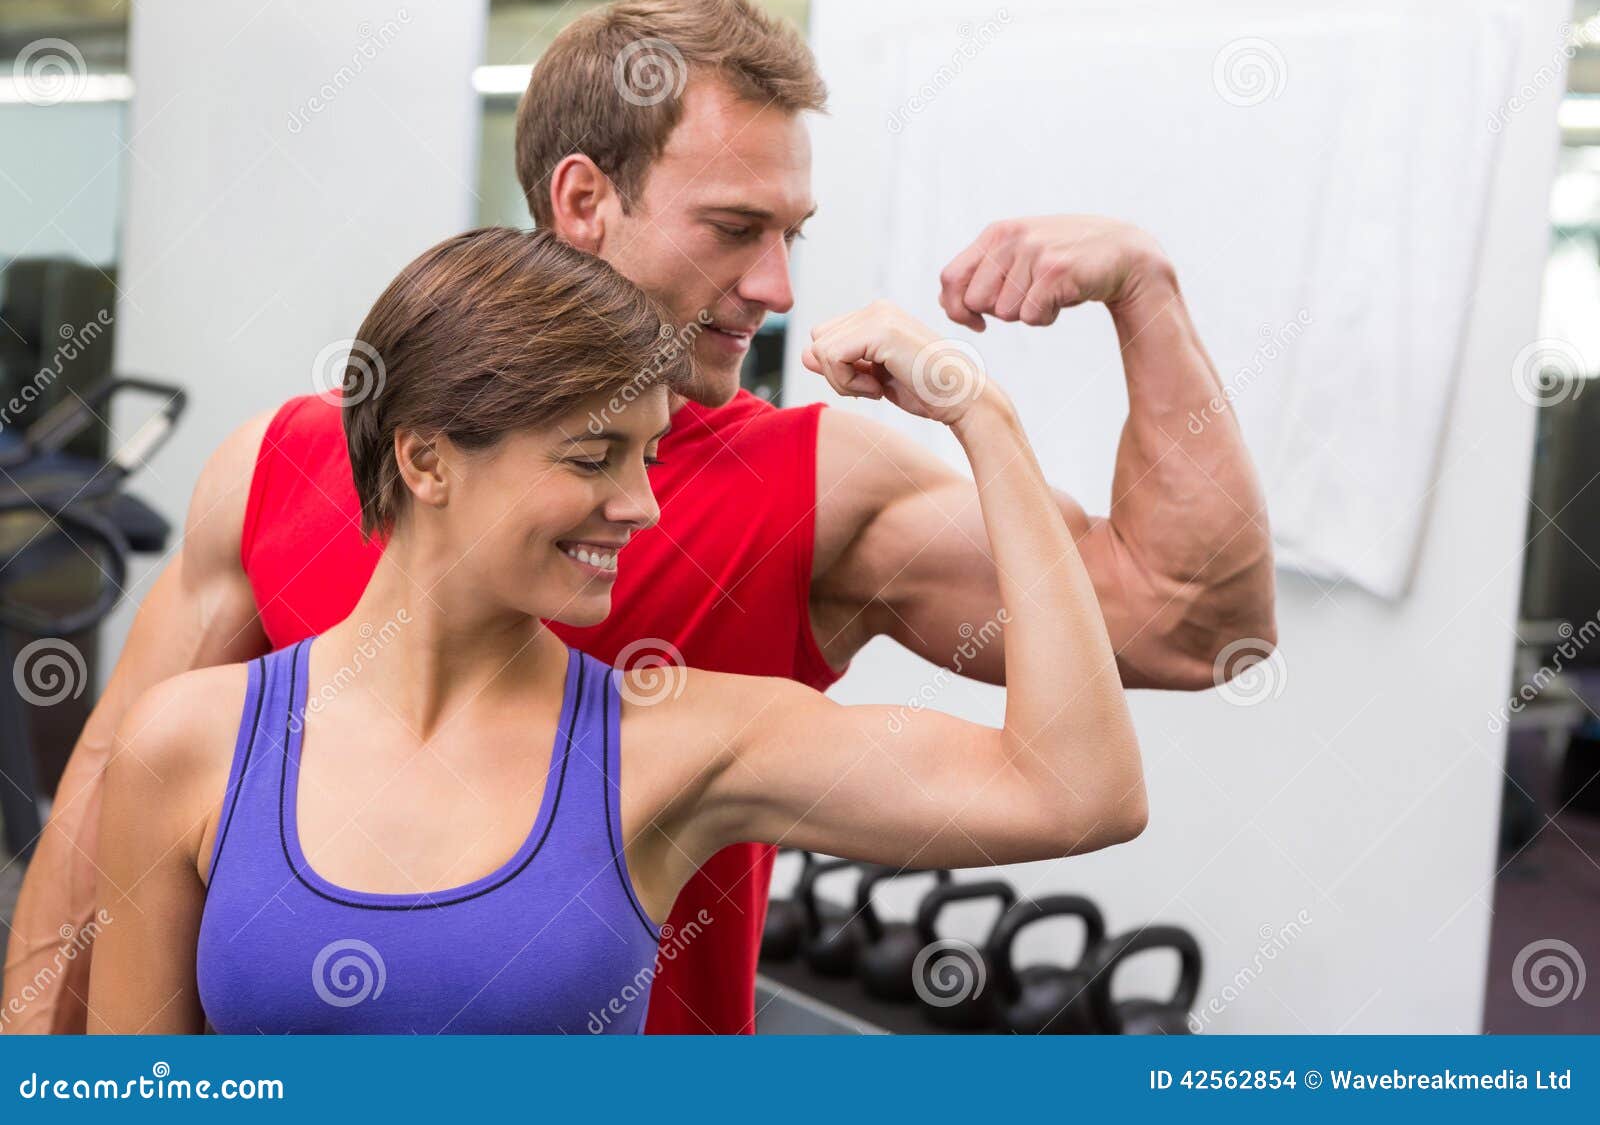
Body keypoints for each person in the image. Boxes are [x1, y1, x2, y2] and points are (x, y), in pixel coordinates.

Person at [6, 0, 1273, 1035]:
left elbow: (1193, 628)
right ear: (581, 199)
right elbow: (111, 804)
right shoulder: (281, 462)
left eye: (792, 233)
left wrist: (1142, 296)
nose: (774, 284)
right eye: (733, 228)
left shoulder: (816, 483)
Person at [84, 226, 1145, 1034]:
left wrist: (985, 421)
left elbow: (1074, 792)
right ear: (425, 458)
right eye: (593, 457)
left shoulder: (675, 742)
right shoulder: (191, 742)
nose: (640, 503)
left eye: (645, 455)